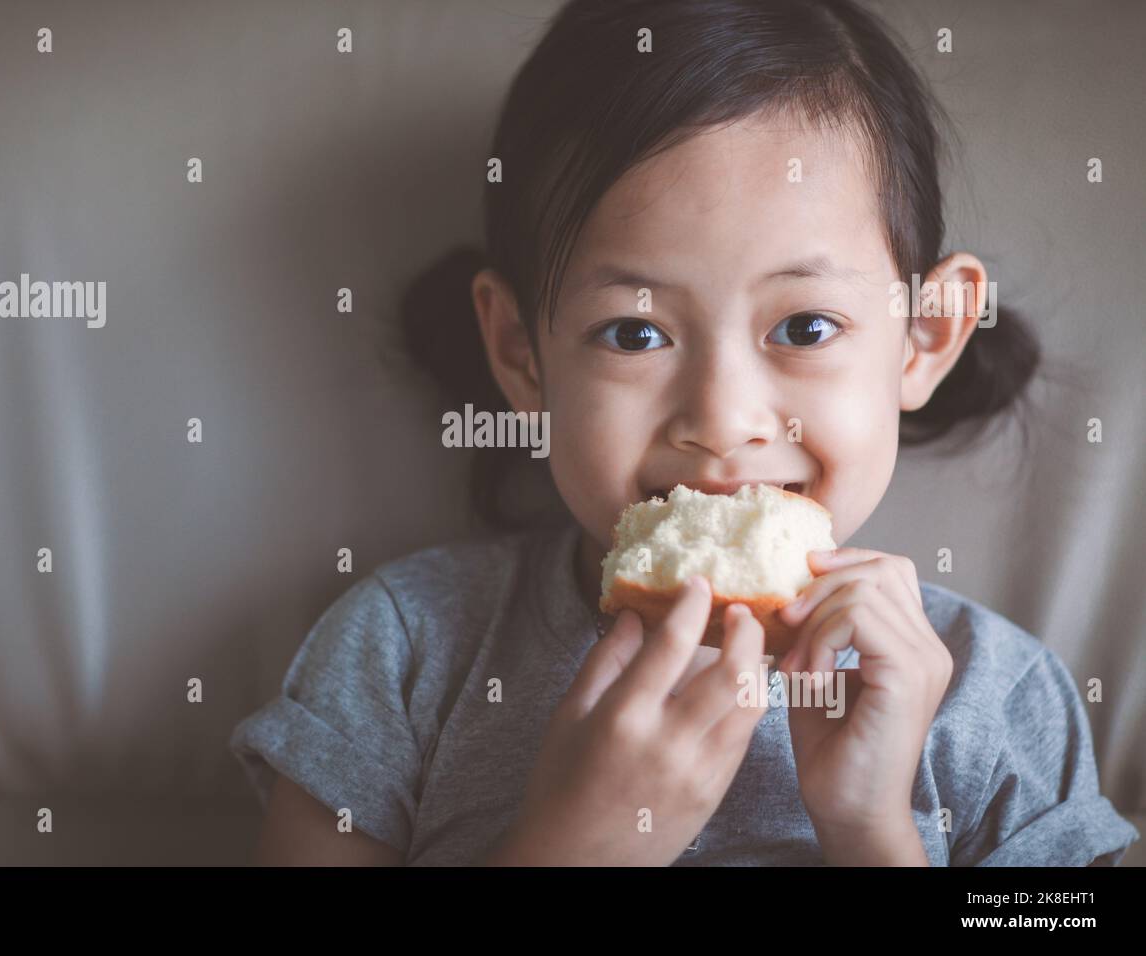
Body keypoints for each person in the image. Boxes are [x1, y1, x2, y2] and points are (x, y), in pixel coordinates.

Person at [229, 0, 1139, 866]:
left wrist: (874, 834)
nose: (721, 421)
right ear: (521, 356)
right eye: (634, 333)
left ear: (927, 335)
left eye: (806, 327)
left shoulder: (1000, 696)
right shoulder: (404, 650)